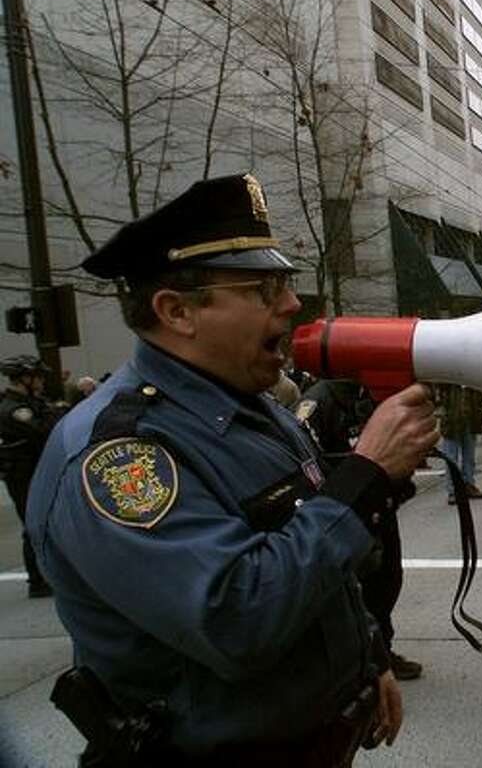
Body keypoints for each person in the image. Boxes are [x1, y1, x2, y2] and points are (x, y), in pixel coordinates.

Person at [26, 174, 439, 764]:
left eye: (286, 283)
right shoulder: (121, 454)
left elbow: (317, 561)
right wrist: (365, 475)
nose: (291, 304)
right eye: (265, 288)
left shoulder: (256, 410)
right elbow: (234, 620)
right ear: (177, 311)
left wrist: (369, 659)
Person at [297, 379, 424, 682]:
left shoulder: (371, 392)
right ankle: (363, 660)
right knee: (357, 587)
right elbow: (308, 463)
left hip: (378, 504)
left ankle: (382, 650)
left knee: (388, 580)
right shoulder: (318, 402)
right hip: (344, 510)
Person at [0, 355, 61, 598]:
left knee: (48, 522)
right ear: (24, 378)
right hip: (23, 475)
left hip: (37, 471)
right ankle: (37, 581)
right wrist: (54, 414)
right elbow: (44, 431)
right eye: (38, 377)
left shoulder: (33, 403)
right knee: (34, 524)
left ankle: (49, 574)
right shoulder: (14, 409)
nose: (42, 382)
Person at [437, 384, 482, 502]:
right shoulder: (449, 381)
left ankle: (469, 484)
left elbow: (479, 399)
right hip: (451, 421)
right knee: (451, 458)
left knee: (469, 457)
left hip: (470, 419)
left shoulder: (472, 381)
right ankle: (453, 490)